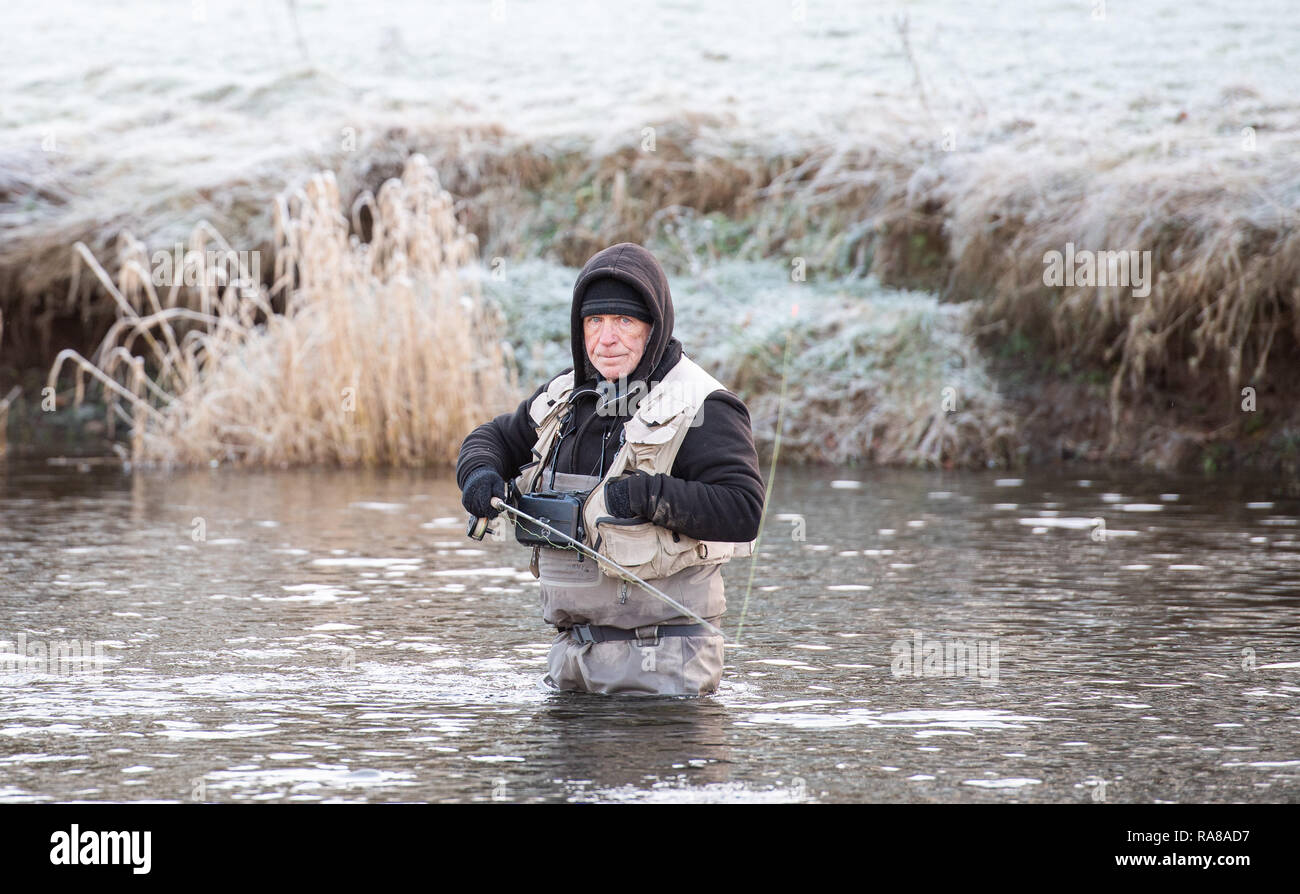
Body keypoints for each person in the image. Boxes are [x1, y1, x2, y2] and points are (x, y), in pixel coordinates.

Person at [456, 242, 764, 696]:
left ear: (653, 327)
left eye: (624, 321)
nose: (606, 338)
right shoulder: (565, 397)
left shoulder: (703, 405)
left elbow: (743, 509)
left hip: (666, 670)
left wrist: (643, 496)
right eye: (594, 321)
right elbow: (491, 439)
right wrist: (480, 474)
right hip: (570, 663)